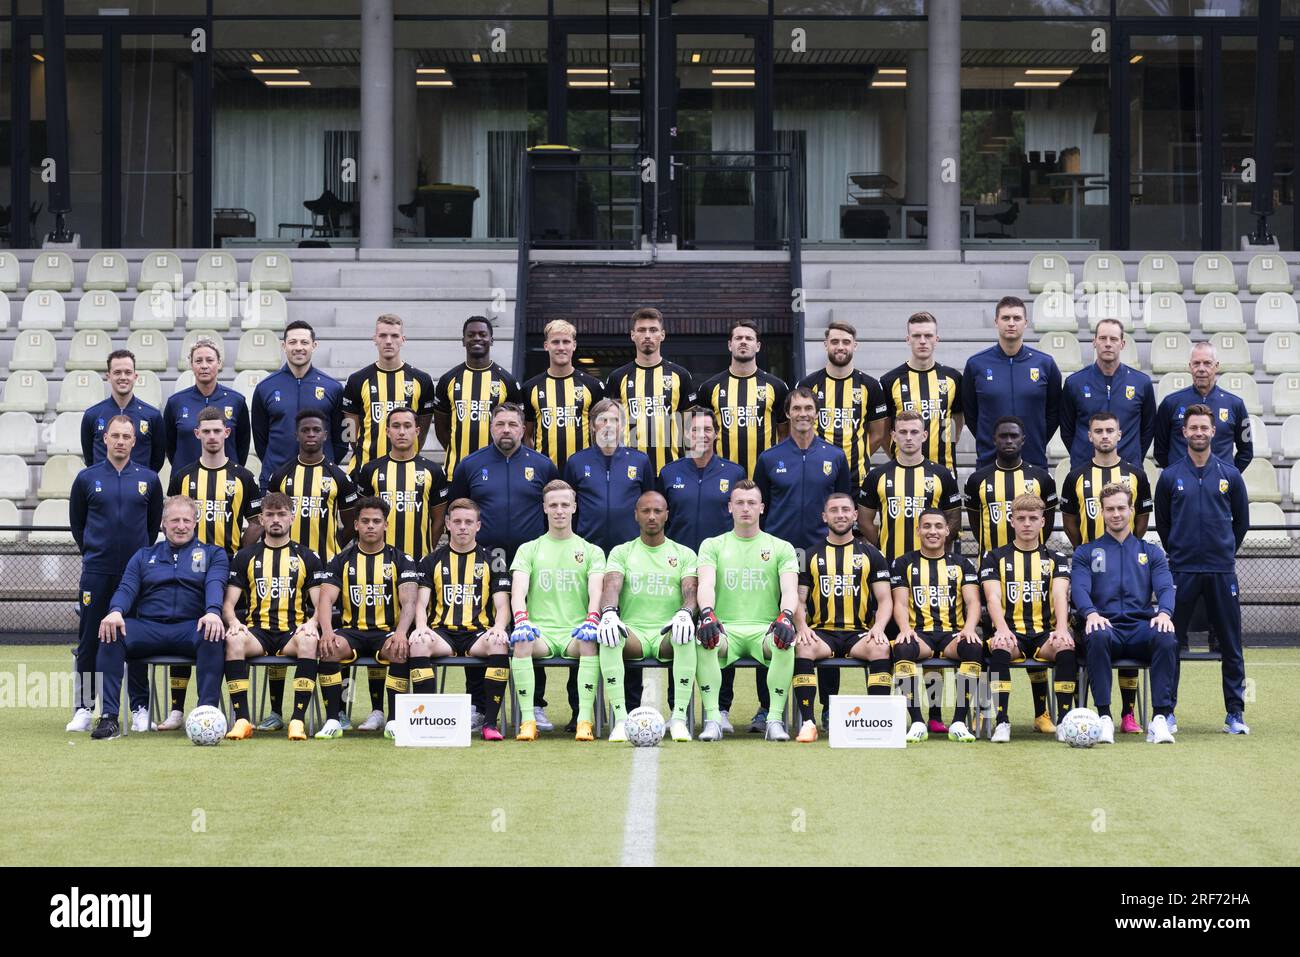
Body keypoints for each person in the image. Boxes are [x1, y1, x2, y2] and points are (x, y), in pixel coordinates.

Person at [448, 402, 558, 731]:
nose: (506, 430)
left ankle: (536, 704)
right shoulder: (471, 465)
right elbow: (459, 508)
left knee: (531, 625)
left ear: (523, 428)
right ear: (491, 427)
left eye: (512, 424)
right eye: (500, 424)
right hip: (483, 561)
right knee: (478, 625)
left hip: (531, 560)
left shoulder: (543, 466)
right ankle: (478, 704)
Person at [90, 496, 229, 740]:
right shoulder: (144, 556)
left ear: (195, 523)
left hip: (191, 626)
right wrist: (115, 611)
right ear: (163, 524)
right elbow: (127, 588)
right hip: (149, 628)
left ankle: (206, 714)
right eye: (174, 520)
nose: (181, 526)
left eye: (187, 520)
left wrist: (213, 611)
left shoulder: (213, 554)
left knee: (213, 634)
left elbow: (215, 584)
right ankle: (109, 718)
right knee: (111, 634)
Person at [158, 406, 261, 731]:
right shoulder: (183, 475)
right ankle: (176, 709)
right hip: (188, 570)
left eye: (219, 430)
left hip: (230, 572)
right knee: (187, 630)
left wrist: (241, 556)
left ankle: (232, 711)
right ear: (198, 434)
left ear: (227, 434)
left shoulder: (243, 477)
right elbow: (174, 515)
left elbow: (256, 524)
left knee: (228, 636)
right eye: (208, 431)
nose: (213, 436)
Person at [1154, 404, 1251, 735]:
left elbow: (1241, 524)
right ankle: (1165, 712)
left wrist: (1221, 553)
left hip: (1221, 572)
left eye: (1203, 428)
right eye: (1192, 427)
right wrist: (1180, 551)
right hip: (1181, 571)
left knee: (1230, 643)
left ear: (1213, 432)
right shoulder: (1169, 476)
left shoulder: (1230, 475)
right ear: (1184, 433)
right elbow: (1165, 525)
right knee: (1170, 643)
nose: (1198, 432)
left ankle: (1235, 713)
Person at [264, 408, 361, 729]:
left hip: (329, 572)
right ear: (297, 435)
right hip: (286, 571)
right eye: (304, 430)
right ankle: (277, 711)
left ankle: (340, 708)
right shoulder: (281, 475)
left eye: (316, 430)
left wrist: (330, 548)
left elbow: (350, 525)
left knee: (334, 638)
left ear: (324, 435)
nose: (310, 435)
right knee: (278, 634)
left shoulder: (338, 476)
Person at [66, 415, 162, 734]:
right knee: (90, 640)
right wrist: (96, 552)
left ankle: (139, 707)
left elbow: (151, 527)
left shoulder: (149, 479)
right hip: (97, 571)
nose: (120, 441)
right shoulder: (86, 479)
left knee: (134, 639)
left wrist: (138, 561)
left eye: (127, 436)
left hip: (137, 575)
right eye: (115, 435)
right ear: (105, 438)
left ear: (135, 441)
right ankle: (84, 707)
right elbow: (78, 525)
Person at [1060, 410, 1153, 734]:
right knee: (1097, 633)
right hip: (1090, 564)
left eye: (1109, 430)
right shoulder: (1075, 476)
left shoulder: (1137, 475)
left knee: (1130, 624)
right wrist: (1089, 548)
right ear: (1089, 435)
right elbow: (1070, 521)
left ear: (1119, 434)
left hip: (1127, 563)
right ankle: (1096, 712)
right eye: (1097, 430)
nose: (1103, 435)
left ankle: (1128, 712)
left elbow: (1140, 519)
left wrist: (1126, 551)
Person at [1071, 483, 1179, 744]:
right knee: (1095, 634)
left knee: (1166, 637)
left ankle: (1160, 719)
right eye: (1110, 509)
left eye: (1121, 508)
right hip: (1108, 628)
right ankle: (1105, 717)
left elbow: (1166, 586)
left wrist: (1164, 613)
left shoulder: (1150, 552)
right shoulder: (1085, 552)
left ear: (1131, 510)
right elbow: (1080, 589)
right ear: (1101, 512)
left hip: (1140, 629)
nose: (1116, 514)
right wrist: (1091, 614)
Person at [693, 480, 801, 743]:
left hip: (763, 629)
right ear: (729, 507)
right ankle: (713, 719)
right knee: (703, 640)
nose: (745, 508)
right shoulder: (712, 545)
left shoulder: (782, 547)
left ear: (762, 508)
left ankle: (774, 720)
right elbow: (706, 583)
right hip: (725, 629)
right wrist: (707, 612)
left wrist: (785, 616)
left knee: (784, 642)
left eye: (752, 503)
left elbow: (790, 590)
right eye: (739, 502)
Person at [219, 492, 326, 741]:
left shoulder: (307, 557)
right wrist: (234, 622)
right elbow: (228, 604)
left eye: (281, 514)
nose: (276, 519)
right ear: (261, 519)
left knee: (310, 640)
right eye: (270, 515)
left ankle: (297, 721)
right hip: (258, 632)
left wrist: (312, 623)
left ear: (292, 518)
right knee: (233, 640)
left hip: (292, 632)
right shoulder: (245, 556)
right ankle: (242, 720)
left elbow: (320, 603)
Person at [313, 497, 421, 739]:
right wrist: (328, 631)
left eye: (376, 521)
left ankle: (394, 720)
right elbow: (325, 600)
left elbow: (409, 602)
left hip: (386, 631)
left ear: (386, 525)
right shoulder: (341, 559)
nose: (370, 526)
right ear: (356, 525)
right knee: (330, 649)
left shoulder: (401, 559)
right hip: (352, 631)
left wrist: (402, 632)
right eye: (365, 521)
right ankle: (334, 719)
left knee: (399, 649)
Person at [595, 491, 700, 742]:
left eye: (657, 511)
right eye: (646, 511)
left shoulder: (684, 553)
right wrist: (608, 612)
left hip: (667, 632)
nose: (652, 516)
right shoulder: (622, 552)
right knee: (610, 637)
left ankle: (678, 719)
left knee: (685, 636)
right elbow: (611, 585)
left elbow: (691, 589)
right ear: (636, 515)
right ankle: (620, 720)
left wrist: (685, 612)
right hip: (635, 634)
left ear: (666, 515)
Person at [790, 492, 893, 743]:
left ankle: (876, 720)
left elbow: (885, 600)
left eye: (845, 510)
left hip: (858, 633)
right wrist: (802, 626)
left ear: (855, 515)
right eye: (834, 510)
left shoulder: (872, 554)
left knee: (881, 647)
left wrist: (879, 627)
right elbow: (799, 600)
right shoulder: (809, 555)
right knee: (802, 646)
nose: (840, 515)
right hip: (821, 632)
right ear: (824, 516)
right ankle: (808, 722)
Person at [508, 481, 606, 742]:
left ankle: (584, 720)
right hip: (542, 632)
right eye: (553, 505)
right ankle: (528, 721)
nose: (559, 510)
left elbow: (597, 591)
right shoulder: (529, 549)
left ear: (574, 507)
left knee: (589, 640)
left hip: (575, 631)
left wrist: (592, 621)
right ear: (544, 508)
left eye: (565, 504)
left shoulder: (591, 551)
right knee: (522, 642)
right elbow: (518, 591)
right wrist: (521, 622)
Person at [409, 498, 514, 741]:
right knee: (418, 643)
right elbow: (421, 603)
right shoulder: (431, 560)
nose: (462, 527)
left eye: (468, 522)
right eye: (457, 521)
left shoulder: (493, 560)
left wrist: (499, 627)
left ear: (478, 525)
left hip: (478, 633)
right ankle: (427, 719)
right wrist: (422, 627)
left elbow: (502, 604)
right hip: (442, 632)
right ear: (447, 524)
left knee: (499, 642)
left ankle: (489, 722)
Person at [978, 494, 1077, 742]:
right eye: (1021, 518)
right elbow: (992, 597)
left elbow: (1059, 595)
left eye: (1033, 518)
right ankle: (1002, 721)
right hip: (1010, 631)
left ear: (1043, 522)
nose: (1027, 524)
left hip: (1045, 633)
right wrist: (1000, 629)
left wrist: (1063, 628)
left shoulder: (1056, 559)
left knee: (1065, 646)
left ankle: (1064, 722)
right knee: (1000, 647)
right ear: (1011, 521)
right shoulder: (995, 557)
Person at [889, 509, 982, 743]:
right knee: (902, 648)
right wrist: (904, 629)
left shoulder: (963, 564)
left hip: (953, 634)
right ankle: (917, 721)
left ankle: (959, 721)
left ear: (947, 531)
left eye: (938, 526)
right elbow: (899, 603)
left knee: (973, 648)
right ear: (918, 530)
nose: (933, 531)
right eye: (927, 526)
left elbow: (973, 602)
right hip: (919, 635)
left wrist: (969, 629)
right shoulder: (903, 563)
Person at [962, 295, 1062, 468]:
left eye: (1017, 318)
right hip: (989, 462)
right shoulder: (976, 364)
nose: (1011, 323)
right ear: (996, 322)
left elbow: (1054, 413)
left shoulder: (1045, 364)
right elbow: (971, 414)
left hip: (1033, 460)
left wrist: (1035, 439)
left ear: (1026, 323)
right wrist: (988, 440)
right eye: (1005, 318)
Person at [753, 387, 852, 555]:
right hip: (778, 548)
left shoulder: (836, 456)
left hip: (822, 548)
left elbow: (843, 504)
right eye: (796, 408)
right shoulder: (768, 458)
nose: (803, 413)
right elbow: (760, 508)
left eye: (808, 408)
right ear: (787, 413)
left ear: (817, 414)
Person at [251, 320, 346, 490]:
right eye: (292, 342)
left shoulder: (333, 387)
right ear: (283, 346)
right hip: (276, 477)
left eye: (304, 342)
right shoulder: (265, 387)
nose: (298, 347)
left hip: (320, 479)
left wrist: (325, 462)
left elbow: (341, 440)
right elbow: (260, 439)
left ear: (314, 345)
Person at [859, 411, 962, 562]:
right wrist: (884, 543)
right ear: (894, 436)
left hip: (930, 563)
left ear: (924, 436)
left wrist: (934, 546)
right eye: (903, 432)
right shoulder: (877, 475)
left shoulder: (942, 475)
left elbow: (954, 519)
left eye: (914, 432)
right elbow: (864, 521)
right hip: (890, 562)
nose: (908, 437)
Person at [692, 319, 789, 479]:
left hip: (765, 475)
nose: (743, 342)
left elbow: (784, 432)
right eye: (738, 338)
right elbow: (696, 435)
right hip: (718, 476)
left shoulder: (776, 386)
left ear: (758, 346)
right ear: (730, 345)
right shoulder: (709, 387)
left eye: (749, 338)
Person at [796, 320, 888, 487]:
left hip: (856, 478)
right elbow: (795, 430)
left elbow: (878, 434)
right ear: (825, 345)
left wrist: (858, 455)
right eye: (834, 342)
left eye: (846, 342)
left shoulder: (871, 386)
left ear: (855, 345)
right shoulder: (808, 384)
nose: (840, 347)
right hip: (815, 476)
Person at [341, 314, 436, 474]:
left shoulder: (422, 380)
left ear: (403, 339)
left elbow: (422, 429)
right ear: (375, 339)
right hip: (364, 470)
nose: (389, 341)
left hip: (407, 470)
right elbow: (350, 431)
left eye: (394, 335)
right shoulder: (357, 380)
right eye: (383, 335)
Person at [604, 307, 694, 475]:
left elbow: (690, 424)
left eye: (653, 330)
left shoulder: (680, 375)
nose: (647, 335)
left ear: (663, 335)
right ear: (632, 335)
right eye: (641, 330)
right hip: (627, 470)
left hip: (672, 469)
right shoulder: (618, 377)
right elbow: (606, 426)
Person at [432, 315, 523, 479]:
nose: (477, 338)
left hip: (497, 473)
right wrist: (457, 448)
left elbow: (517, 427)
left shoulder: (507, 381)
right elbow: (441, 429)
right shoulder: (448, 380)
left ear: (491, 340)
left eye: (482, 334)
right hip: (456, 472)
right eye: (471, 334)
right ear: (463, 340)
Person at [355, 407, 449, 562]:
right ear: (387, 431)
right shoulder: (371, 469)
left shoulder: (433, 470)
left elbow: (438, 519)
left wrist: (427, 551)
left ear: (417, 431)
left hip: (419, 560)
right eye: (396, 426)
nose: (401, 432)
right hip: (379, 560)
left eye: (407, 426)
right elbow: (362, 515)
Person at [1058, 318, 1155, 469]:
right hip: (1085, 468)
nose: (1108, 343)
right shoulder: (1074, 383)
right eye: (1102, 338)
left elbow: (1148, 429)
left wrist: (1132, 456)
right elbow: (1067, 430)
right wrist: (1083, 454)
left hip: (1128, 468)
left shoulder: (1141, 382)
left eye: (1114, 339)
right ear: (1094, 342)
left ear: (1122, 344)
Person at [564, 399, 655, 555]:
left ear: (622, 426)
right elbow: (569, 507)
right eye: (602, 420)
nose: (608, 425)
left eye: (614, 420)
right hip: (586, 549)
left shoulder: (640, 461)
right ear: (593, 425)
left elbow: (649, 503)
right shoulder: (576, 462)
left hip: (630, 549)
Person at [880, 312, 963, 476]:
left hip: (944, 470)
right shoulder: (890, 380)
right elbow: (884, 432)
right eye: (916, 336)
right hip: (902, 470)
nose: (923, 341)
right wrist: (898, 455)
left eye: (928, 335)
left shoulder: (953, 378)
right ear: (908, 339)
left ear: (936, 339)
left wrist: (947, 444)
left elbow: (957, 420)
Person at [1153, 341, 1253, 472]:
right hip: (1181, 486)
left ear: (1216, 366)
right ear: (1190, 366)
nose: (1201, 368)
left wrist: (1228, 475)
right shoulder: (1170, 403)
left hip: (1220, 487)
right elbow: (1160, 451)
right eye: (1196, 363)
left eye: (1207, 363)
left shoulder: (1235, 405)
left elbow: (1246, 452)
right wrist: (1176, 474)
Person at [963, 416, 1057, 554]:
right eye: (1003, 436)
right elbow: (976, 525)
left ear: (1022, 440)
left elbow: (1047, 524)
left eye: (1014, 436)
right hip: (991, 564)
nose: (1008, 441)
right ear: (994, 440)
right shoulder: (977, 479)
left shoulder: (1042, 478)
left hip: (1033, 561)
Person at [657, 406, 745, 553]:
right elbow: (660, 520)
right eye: (695, 430)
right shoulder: (668, 473)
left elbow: (743, 518)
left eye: (708, 429)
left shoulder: (735, 473)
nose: (701, 435)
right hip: (678, 560)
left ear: (716, 433)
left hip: (722, 558)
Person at [522, 319, 605, 472]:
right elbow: (527, 434)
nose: (561, 347)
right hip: (544, 471)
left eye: (566, 342)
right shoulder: (530, 387)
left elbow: (601, 431)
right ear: (546, 346)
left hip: (584, 470)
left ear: (574, 345)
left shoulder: (592, 386)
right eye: (555, 342)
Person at [164, 336, 250, 472]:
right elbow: (170, 446)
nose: (204, 365)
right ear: (191, 364)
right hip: (185, 482)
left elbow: (242, 446)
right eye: (198, 361)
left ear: (219, 363)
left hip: (226, 481)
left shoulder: (236, 401)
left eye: (209, 360)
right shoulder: (176, 402)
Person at [80, 350, 165, 472]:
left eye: (128, 372)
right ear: (108, 376)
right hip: (103, 487)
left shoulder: (152, 416)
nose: (123, 377)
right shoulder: (92, 415)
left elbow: (157, 460)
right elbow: (89, 458)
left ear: (135, 377)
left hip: (138, 488)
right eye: (117, 372)